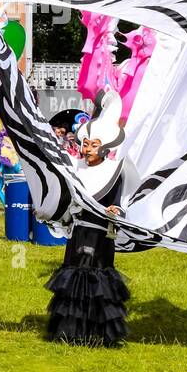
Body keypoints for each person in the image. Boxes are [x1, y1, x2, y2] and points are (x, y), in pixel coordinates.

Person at [46, 91, 132, 346]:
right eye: (85, 144)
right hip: (79, 231)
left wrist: (117, 210)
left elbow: (121, 200)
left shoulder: (115, 171)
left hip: (101, 235)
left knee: (98, 279)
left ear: (105, 146)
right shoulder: (77, 168)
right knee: (75, 276)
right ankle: (72, 330)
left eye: (93, 145)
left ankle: (100, 331)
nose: (87, 149)